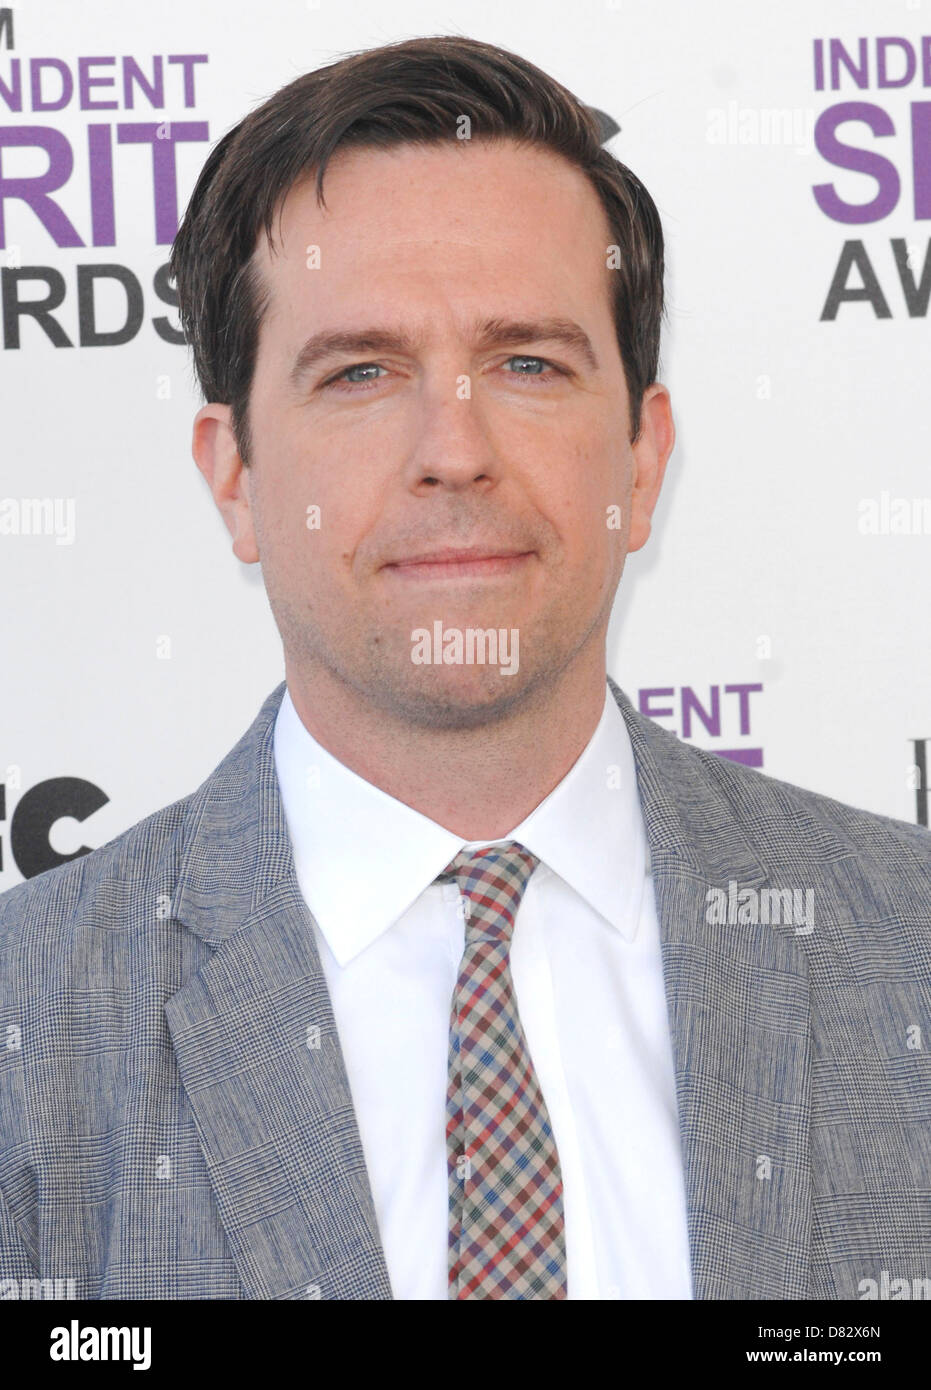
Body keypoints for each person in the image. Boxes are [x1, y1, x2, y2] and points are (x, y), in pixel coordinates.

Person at [1, 34, 929, 1302]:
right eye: (362, 372)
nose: (454, 448)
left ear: (642, 461)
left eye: (529, 364)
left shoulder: (906, 942)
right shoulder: (30, 1016)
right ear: (234, 479)